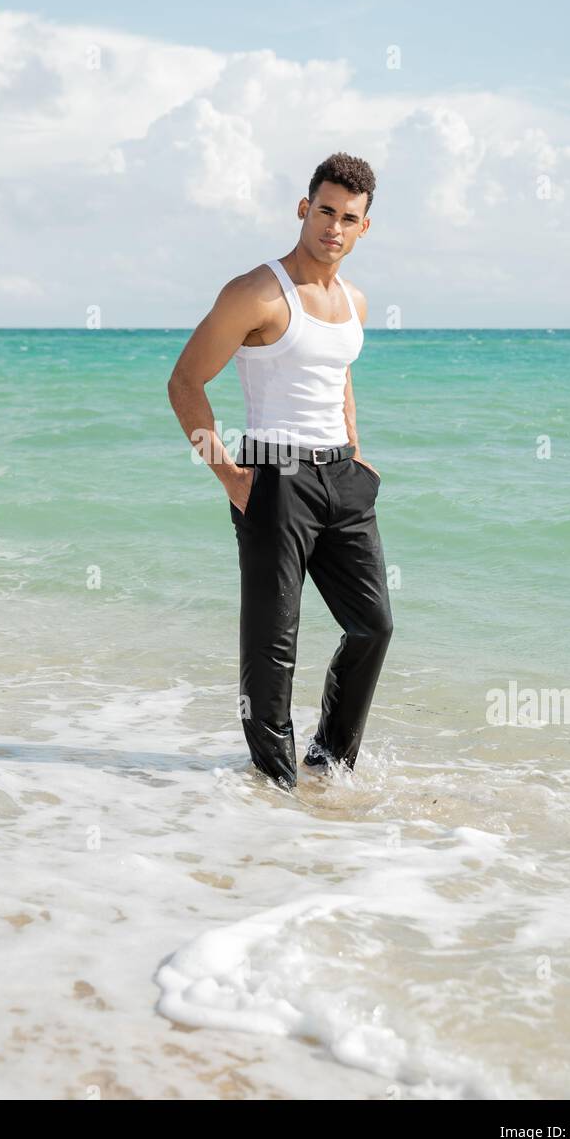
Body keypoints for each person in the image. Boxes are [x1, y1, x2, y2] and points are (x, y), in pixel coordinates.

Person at [167, 152, 393, 789]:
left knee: (372, 626)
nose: (334, 228)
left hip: (342, 479)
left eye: (349, 218)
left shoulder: (356, 302)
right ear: (304, 208)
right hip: (275, 477)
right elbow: (184, 381)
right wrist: (231, 476)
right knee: (274, 648)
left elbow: (339, 373)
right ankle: (274, 789)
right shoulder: (256, 292)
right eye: (325, 211)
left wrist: (355, 448)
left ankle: (329, 764)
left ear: (363, 228)